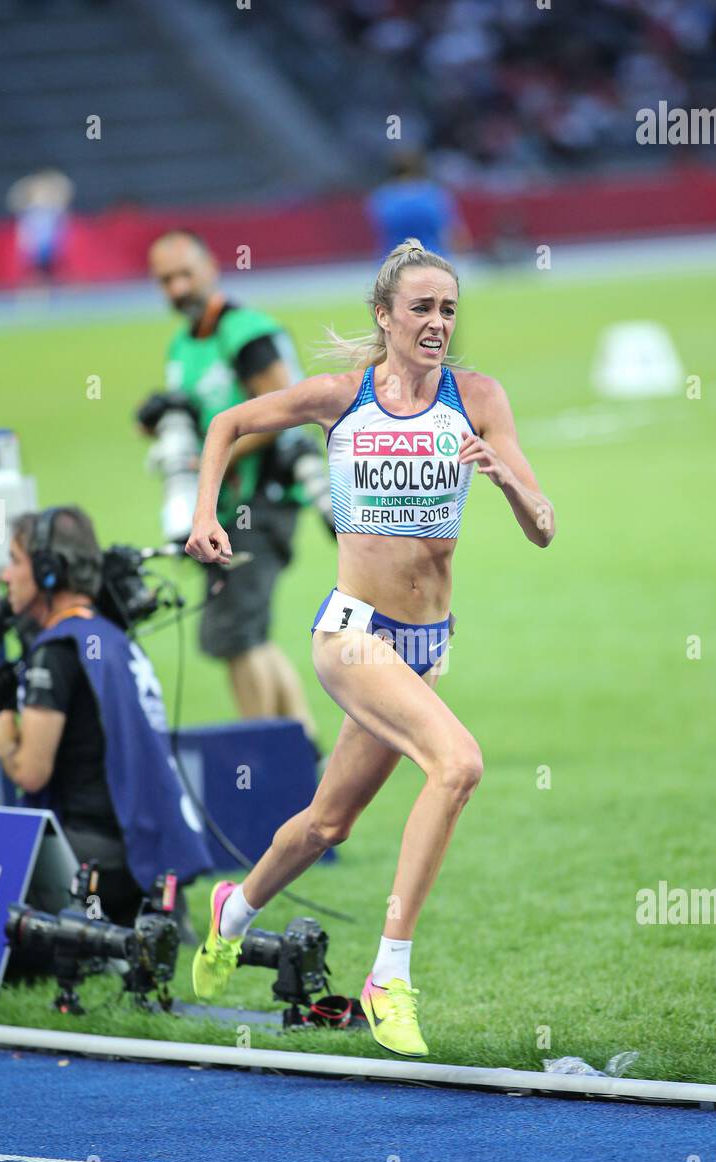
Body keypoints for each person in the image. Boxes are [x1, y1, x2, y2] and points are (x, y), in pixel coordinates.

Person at [185, 238, 554, 1057]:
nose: (436, 322)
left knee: (327, 824)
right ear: (384, 317)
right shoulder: (341, 398)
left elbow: (544, 528)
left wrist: (505, 479)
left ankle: (232, 912)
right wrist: (206, 514)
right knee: (456, 764)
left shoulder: (480, 399)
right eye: (420, 308)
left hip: (421, 648)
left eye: (448, 309)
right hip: (350, 633)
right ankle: (390, 975)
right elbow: (228, 423)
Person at [0, 507, 212, 928]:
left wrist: (3, 745)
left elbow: (31, 773)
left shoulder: (58, 650)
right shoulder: (111, 635)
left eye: (16, 561)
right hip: (153, 857)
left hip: (98, 860)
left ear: (49, 571)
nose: (4, 575)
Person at [145, 228, 333, 740]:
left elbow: (285, 413)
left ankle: (263, 748)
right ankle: (299, 743)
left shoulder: (247, 332)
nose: (177, 288)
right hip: (223, 508)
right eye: (165, 280)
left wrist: (213, 451)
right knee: (248, 633)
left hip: (262, 500)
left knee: (235, 635)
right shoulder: (183, 344)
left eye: (185, 274)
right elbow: (197, 418)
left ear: (212, 268)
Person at [366, 150, 471, 260]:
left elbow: (379, 234)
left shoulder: (380, 198)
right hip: (432, 260)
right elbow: (456, 236)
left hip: (394, 263)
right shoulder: (435, 195)